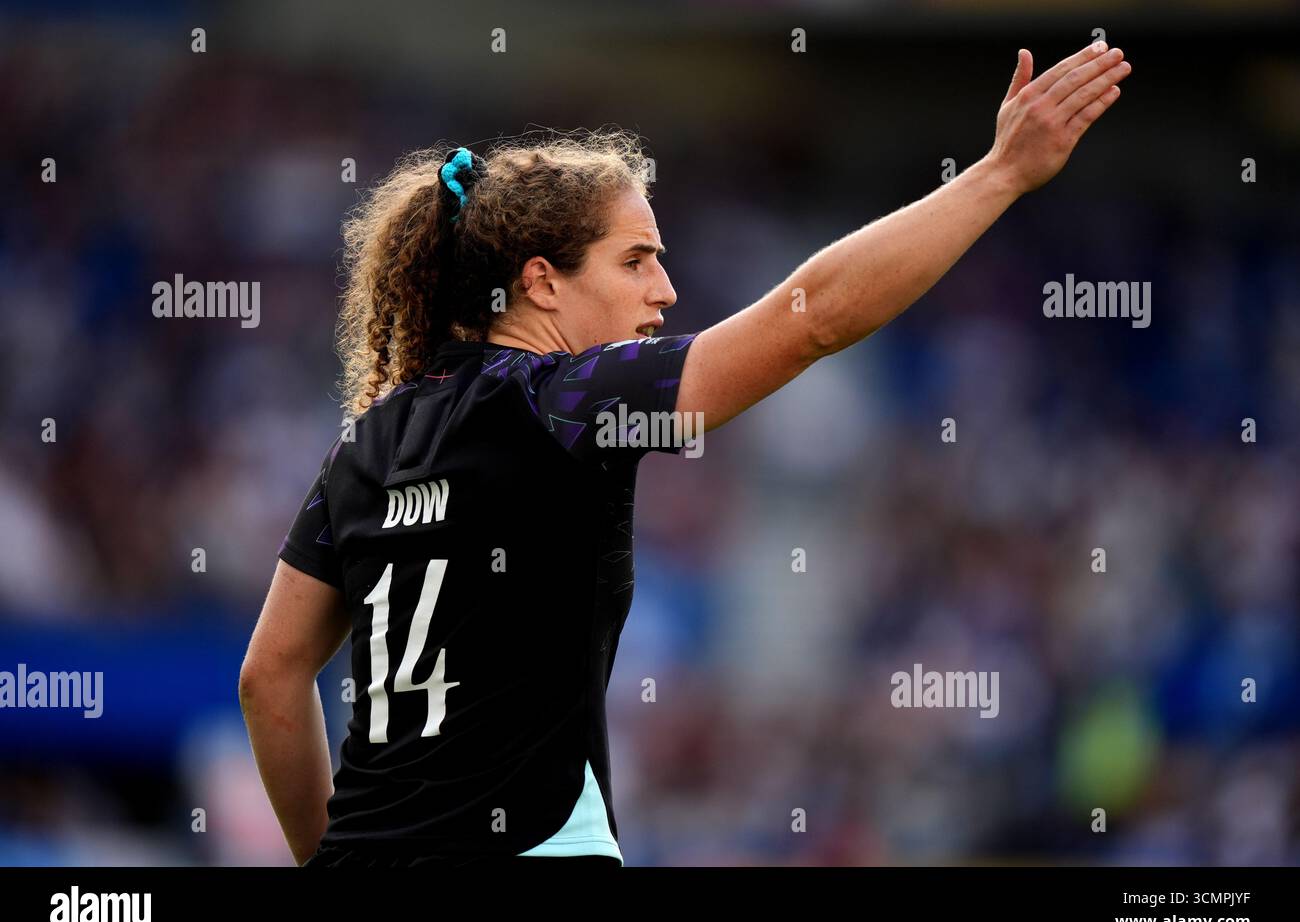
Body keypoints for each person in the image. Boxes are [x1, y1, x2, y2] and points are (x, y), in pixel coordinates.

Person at [239, 41, 1132, 867]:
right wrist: (1000, 175)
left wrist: (335, 858)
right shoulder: (564, 402)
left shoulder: (365, 445)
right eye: (636, 261)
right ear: (543, 281)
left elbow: (270, 678)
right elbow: (813, 317)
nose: (664, 290)